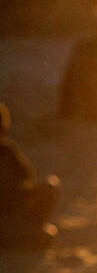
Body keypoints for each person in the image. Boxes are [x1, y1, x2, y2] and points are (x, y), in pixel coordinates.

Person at [0, 104, 60, 247]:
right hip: (12, 221)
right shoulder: (8, 151)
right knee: (51, 186)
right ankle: (33, 230)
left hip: (12, 219)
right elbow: (28, 179)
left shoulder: (8, 151)